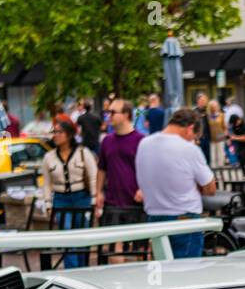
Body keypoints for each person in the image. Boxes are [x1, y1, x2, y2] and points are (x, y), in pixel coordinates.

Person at [134, 106, 216, 258]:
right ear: (190, 129)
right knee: (185, 274)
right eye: (195, 137)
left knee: (162, 273)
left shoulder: (144, 144)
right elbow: (210, 188)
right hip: (184, 218)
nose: (194, 141)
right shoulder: (188, 149)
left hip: (154, 216)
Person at [39, 119, 98, 267]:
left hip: (81, 198)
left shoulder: (83, 153)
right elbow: (46, 183)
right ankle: (72, 272)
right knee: (67, 237)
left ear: (69, 134)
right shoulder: (49, 157)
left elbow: (93, 176)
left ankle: (83, 270)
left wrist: (94, 199)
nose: (56, 135)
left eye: (60, 132)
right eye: (54, 132)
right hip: (61, 200)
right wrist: (47, 202)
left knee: (83, 238)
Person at [95, 99, 145, 227]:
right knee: (113, 243)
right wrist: (98, 192)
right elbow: (101, 169)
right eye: (107, 112)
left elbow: (151, 170)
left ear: (126, 115)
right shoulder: (107, 140)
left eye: (112, 112)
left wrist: (144, 189)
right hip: (112, 202)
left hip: (135, 202)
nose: (108, 116)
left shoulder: (141, 140)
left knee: (136, 245)